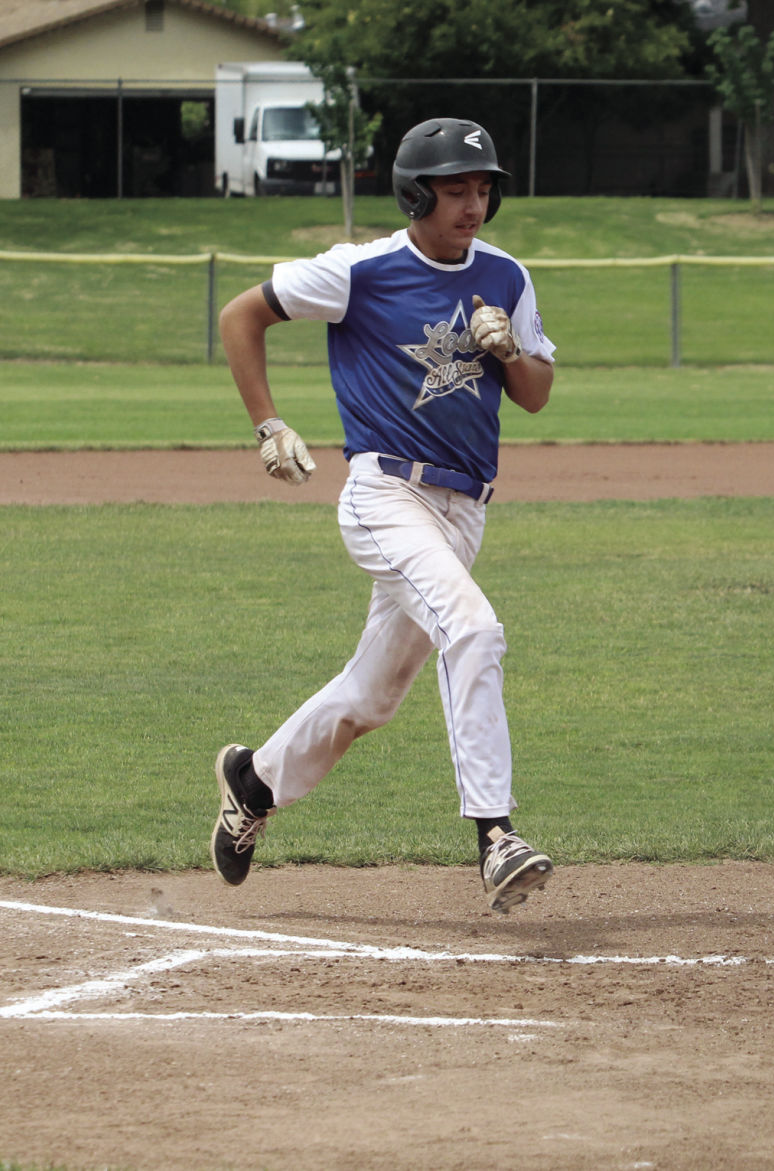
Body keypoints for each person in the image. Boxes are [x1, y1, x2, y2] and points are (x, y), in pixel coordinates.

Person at [209, 117, 557, 914]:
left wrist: (506, 351)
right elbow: (241, 316)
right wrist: (268, 423)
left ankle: (254, 779)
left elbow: (535, 395)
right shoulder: (360, 270)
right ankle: (496, 836)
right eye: (455, 190)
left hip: (464, 508)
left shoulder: (505, 275)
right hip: (384, 495)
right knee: (472, 628)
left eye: (482, 189)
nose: (472, 205)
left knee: (372, 696)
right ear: (413, 193)